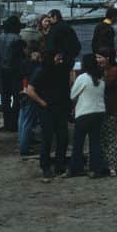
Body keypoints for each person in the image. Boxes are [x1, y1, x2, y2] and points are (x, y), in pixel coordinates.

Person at [24, 53, 71, 181]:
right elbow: (30, 90)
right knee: (47, 138)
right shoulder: (40, 72)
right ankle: (46, 167)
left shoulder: (61, 71)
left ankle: (59, 165)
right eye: (58, 58)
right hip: (47, 110)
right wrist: (42, 102)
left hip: (60, 108)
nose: (60, 61)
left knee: (63, 137)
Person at [69, 53, 107, 177]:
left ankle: (76, 168)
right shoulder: (101, 79)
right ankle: (95, 169)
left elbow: (72, 95)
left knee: (78, 142)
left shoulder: (82, 77)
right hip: (100, 112)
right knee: (95, 142)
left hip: (84, 113)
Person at [98, 48, 117, 176]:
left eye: (100, 57)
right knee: (103, 138)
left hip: (111, 108)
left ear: (107, 58)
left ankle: (112, 165)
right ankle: (104, 164)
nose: (98, 60)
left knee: (112, 137)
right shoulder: (102, 71)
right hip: (101, 108)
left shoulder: (114, 71)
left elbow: (105, 85)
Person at [0, 15, 24, 132]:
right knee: (16, 97)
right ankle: (14, 122)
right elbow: (19, 56)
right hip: (14, 71)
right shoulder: (17, 39)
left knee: (5, 97)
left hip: (3, 70)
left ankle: (6, 122)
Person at [17, 45, 43, 156]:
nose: (38, 56)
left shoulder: (23, 63)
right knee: (28, 122)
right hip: (30, 94)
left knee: (22, 119)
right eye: (36, 53)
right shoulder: (36, 67)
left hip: (22, 92)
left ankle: (23, 142)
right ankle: (24, 148)